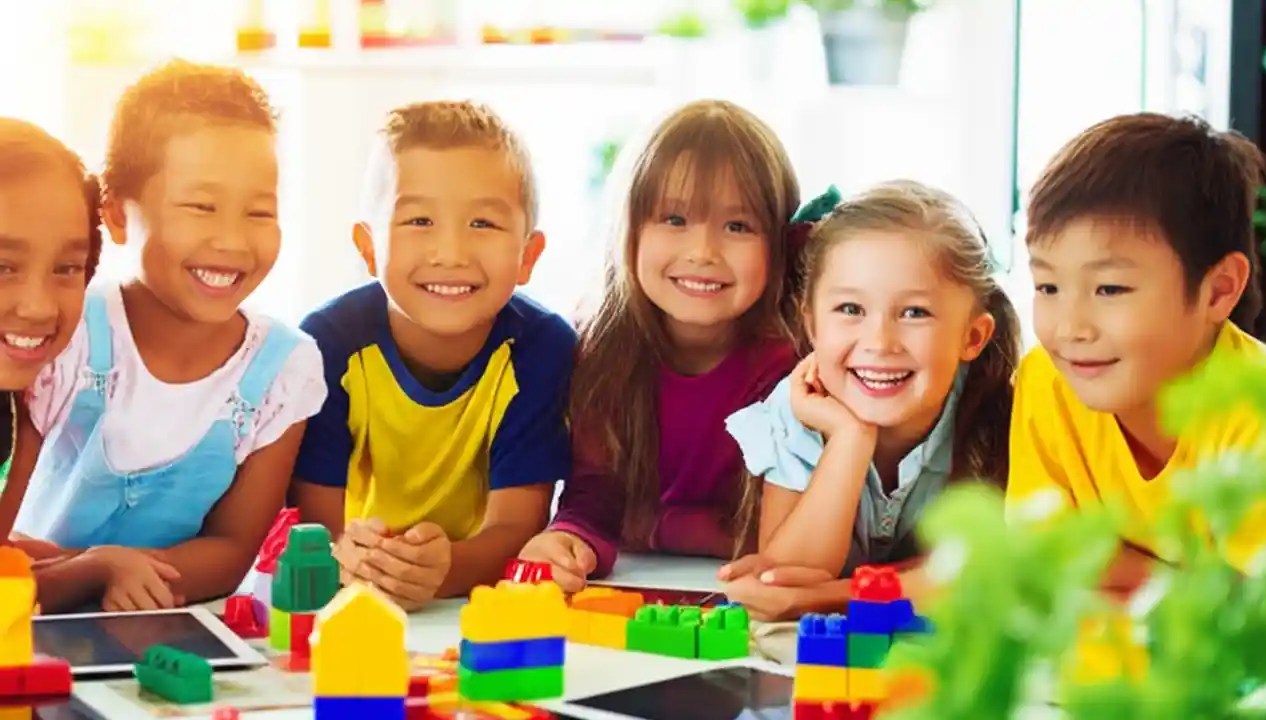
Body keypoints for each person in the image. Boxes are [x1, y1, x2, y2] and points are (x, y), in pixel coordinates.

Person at [9, 61, 325, 612]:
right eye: (201, 207)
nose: (231, 240)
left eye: (259, 211)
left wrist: (125, 576)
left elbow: (232, 552)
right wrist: (94, 570)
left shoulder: (283, 371)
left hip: (169, 620)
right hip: (34, 615)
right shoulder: (62, 333)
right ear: (116, 215)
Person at [292, 101, 574, 610]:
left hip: (472, 604)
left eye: (483, 224)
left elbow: (517, 527)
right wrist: (345, 557)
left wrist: (445, 573)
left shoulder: (542, 348)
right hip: (350, 602)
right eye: (419, 220)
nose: (450, 252)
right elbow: (314, 529)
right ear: (367, 247)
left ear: (528, 256)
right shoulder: (325, 346)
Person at [518, 100, 804, 591]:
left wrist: (653, 525)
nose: (703, 252)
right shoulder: (599, 344)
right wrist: (567, 539)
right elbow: (597, 496)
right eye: (674, 219)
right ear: (628, 230)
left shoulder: (793, 363)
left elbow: (776, 533)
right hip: (643, 585)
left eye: (738, 226)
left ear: (779, 245)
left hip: (747, 592)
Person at [720, 181, 1019, 620]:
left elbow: (981, 571)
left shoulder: (995, 410)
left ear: (972, 337)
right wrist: (850, 438)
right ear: (812, 324)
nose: (879, 342)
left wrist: (835, 594)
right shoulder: (801, 407)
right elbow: (784, 575)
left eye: (914, 313)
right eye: (850, 310)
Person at [1007, 112, 1266, 589]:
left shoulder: (1263, 411)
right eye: (1047, 286)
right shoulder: (1049, 379)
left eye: (1109, 289)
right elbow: (1039, 557)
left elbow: (1250, 614)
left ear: (1218, 291)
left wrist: (1115, 565)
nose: (1070, 329)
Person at [0, 118, 102, 541]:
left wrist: (94, 567)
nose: (38, 307)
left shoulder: (16, 415)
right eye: (2, 267)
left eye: (66, 269)